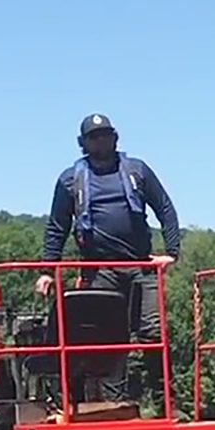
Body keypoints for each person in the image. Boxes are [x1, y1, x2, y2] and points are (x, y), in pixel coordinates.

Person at [38, 114, 183, 407]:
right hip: (99, 270)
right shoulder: (70, 180)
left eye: (106, 134)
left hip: (142, 266)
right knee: (106, 336)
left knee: (153, 333)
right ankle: (111, 402)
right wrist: (47, 271)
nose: (101, 140)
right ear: (83, 143)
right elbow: (57, 226)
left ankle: (166, 403)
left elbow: (165, 209)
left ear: (115, 137)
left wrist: (172, 253)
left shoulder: (137, 171)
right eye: (94, 136)